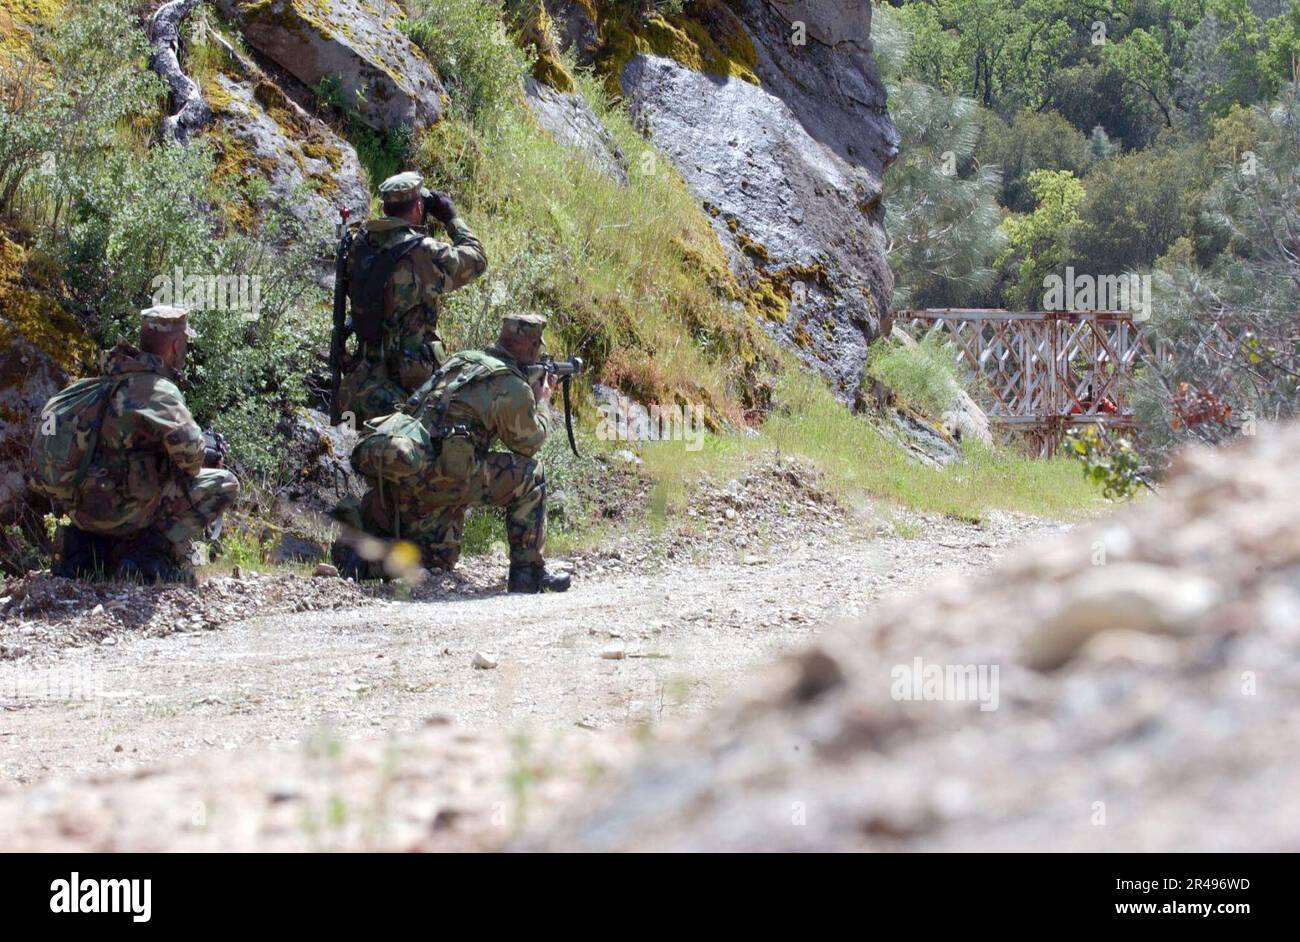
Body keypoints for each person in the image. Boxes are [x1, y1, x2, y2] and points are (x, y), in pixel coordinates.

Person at [334, 313, 570, 593]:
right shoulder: (511, 385)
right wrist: (541, 401)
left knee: (437, 560)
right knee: (532, 476)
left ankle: (363, 563)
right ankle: (528, 573)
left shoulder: (464, 360)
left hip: (410, 468)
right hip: (445, 477)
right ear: (532, 347)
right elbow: (530, 443)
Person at [38, 306, 239, 584]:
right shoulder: (158, 389)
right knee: (225, 483)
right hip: (126, 515)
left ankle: (91, 553)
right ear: (177, 345)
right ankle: (147, 557)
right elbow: (192, 458)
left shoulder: (98, 385)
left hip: (83, 514)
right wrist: (207, 449)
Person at [339, 171, 487, 423]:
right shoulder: (422, 252)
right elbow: (477, 260)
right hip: (409, 379)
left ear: (385, 207)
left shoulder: (361, 243)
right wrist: (451, 217)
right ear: (419, 205)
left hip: (366, 364)